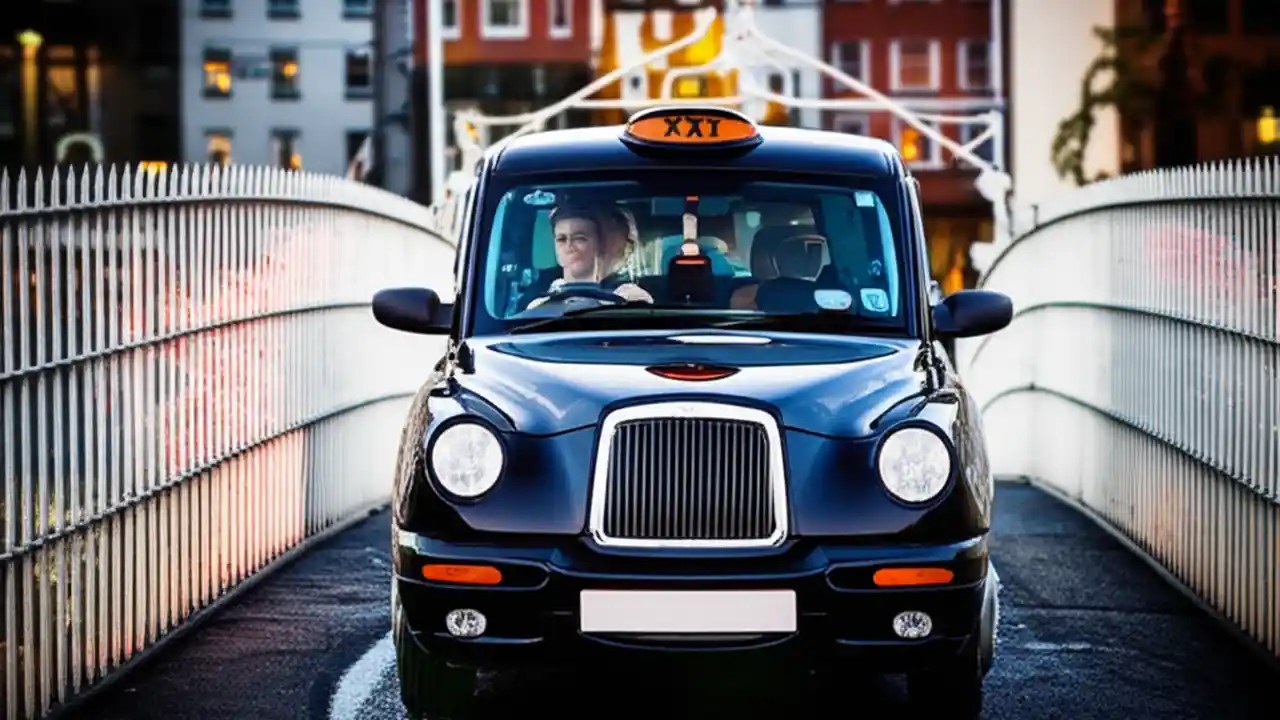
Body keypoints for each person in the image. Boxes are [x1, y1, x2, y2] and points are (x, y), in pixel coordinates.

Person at [523, 201, 654, 309]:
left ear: (600, 244)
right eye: (561, 239)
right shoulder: (539, 304)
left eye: (579, 238)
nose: (569, 246)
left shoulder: (631, 297)